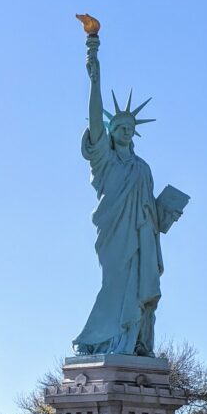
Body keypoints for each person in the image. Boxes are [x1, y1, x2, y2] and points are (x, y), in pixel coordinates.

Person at [72, 34, 183, 357]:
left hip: (142, 238)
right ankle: (100, 340)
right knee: (114, 285)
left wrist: (167, 212)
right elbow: (95, 121)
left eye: (129, 127)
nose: (124, 130)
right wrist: (95, 77)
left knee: (137, 290)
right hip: (114, 233)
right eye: (118, 125)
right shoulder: (104, 160)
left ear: (134, 134)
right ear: (111, 132)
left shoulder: (143, 168)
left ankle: (131, 342)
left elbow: (151, 211)